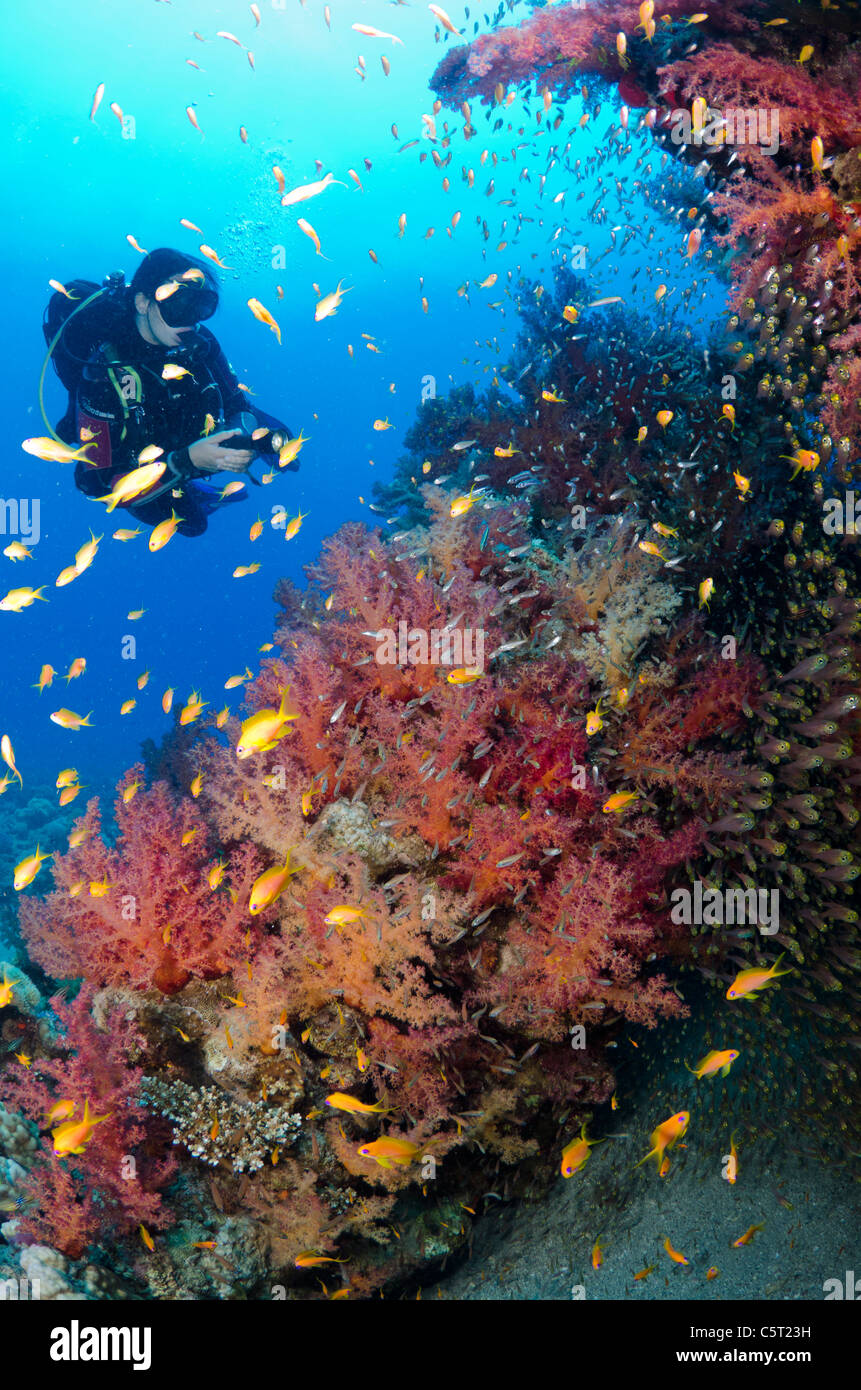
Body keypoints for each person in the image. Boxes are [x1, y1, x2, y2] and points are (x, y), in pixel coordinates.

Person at [43, 247, 296, 537]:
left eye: (200, 306)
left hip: (184, 431)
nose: (190, 321)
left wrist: (239, 435)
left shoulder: (199, 342)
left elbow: (238, 403)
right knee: (193, 523)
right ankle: (193, 488)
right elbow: (99, 483)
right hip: (138, 458)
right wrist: (186, 462)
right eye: (177, 305)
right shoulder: (102, 374)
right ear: (142, 302)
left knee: (281, 442)